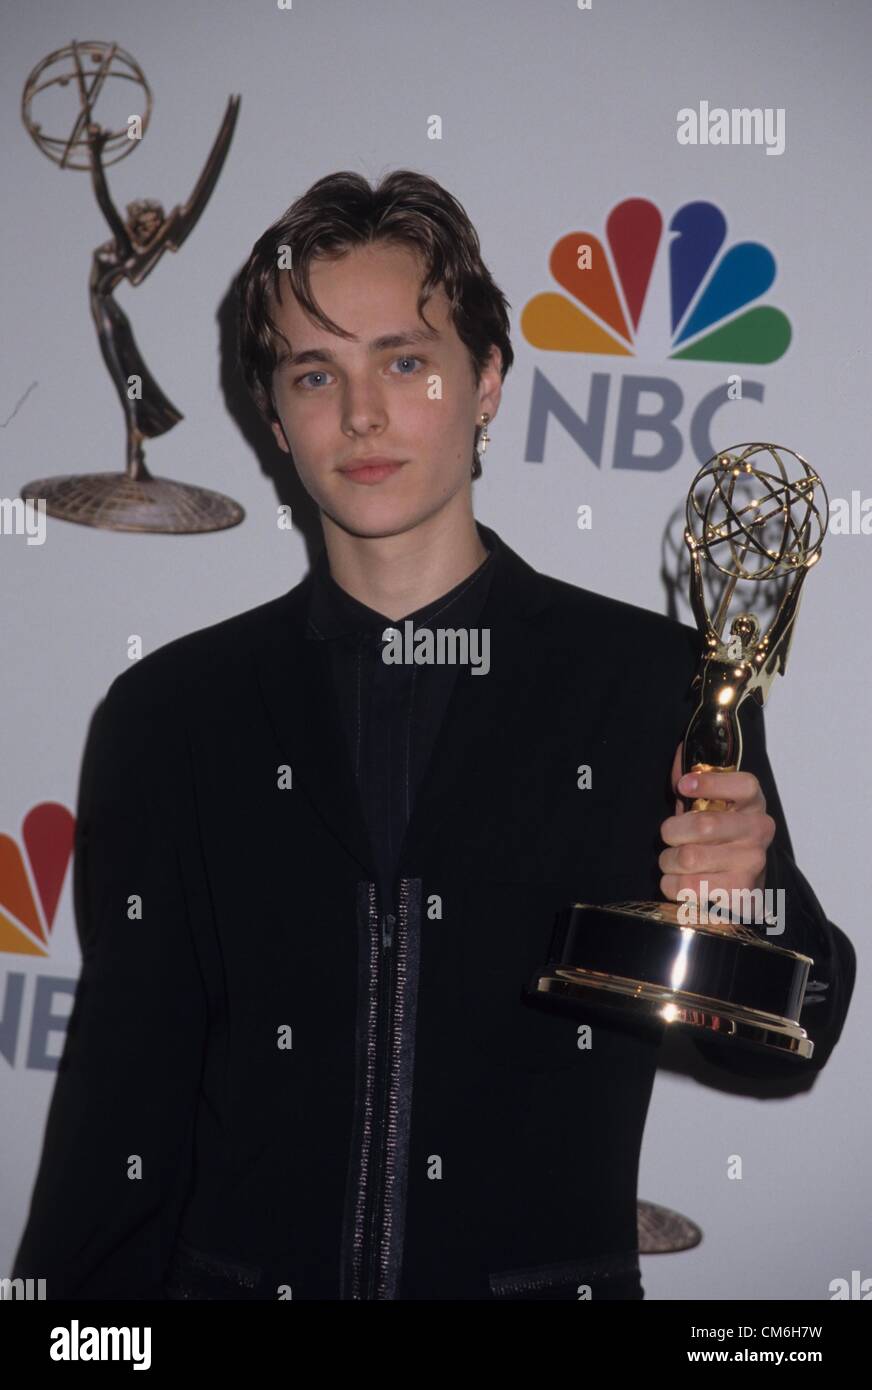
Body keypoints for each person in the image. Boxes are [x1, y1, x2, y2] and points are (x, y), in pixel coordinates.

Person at [12, 170, 855, 1301]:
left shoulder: (650, 684)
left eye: (404, 362)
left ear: (487, 382)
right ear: (274, 416)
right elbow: (119, 1115)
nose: (362, 415)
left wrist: (751, 900)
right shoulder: (172, 715)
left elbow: (790, 1030)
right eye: (318, 373)